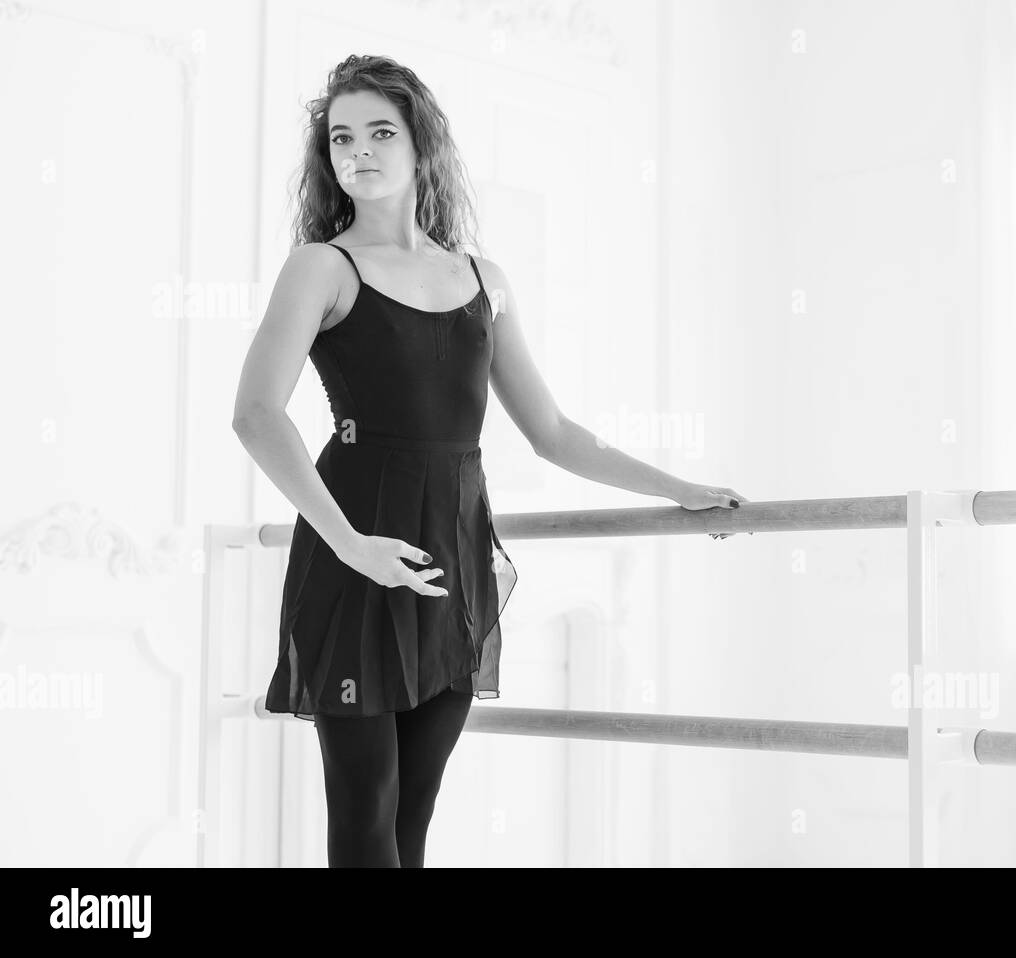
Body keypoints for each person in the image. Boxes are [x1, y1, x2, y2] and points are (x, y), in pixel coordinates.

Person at [231, 54, 748, 867]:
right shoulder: (321, 267)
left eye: (379, 132)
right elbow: (257, 414)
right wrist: (350, 546)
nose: (357, 151)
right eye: (341, 137)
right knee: (364, 809)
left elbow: (551, 430)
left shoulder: (483, 280)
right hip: (356, 552)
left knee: (414, 815)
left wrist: (679, 490)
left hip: (452, 558)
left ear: (421, 144)